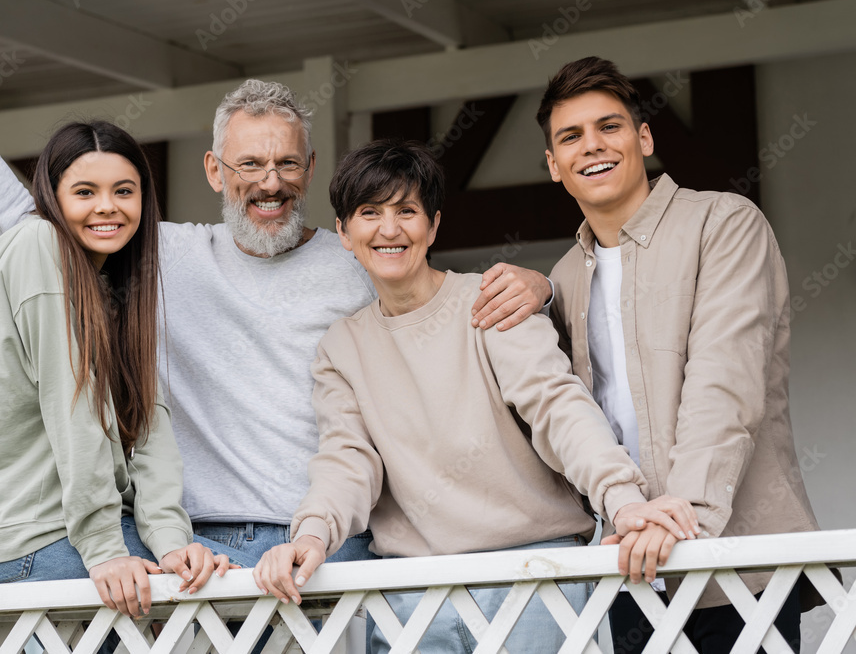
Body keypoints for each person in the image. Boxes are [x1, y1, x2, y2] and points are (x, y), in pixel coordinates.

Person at [0, 35, 551, 564]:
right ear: (216, 171)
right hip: (195, 543)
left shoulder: (356, 260)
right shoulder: (161, 256)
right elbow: (41, 222)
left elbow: (445, 313)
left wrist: (541, 287)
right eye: (249, 165)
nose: (269, 183)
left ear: (309, 167)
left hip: (326, 539)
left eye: (287, 164)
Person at [252, 140, 700, 654]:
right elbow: (346, 460)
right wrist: (311, 535)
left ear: (434, 226)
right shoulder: (341, 348)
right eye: (370, 213)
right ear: (344, 233)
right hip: (410, 591)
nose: (389, 229)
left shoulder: (490, 302)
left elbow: (557, 407)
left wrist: (622, 500)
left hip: (534, 573)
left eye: (407, 211)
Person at [536, 56, 823, 653]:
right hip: (633, 570)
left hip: (736, 562)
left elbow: (726, 384)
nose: (592, 146)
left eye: (609, 126)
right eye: (571, 136)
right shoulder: (564, 277)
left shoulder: (724, 222)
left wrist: (682, 518)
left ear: (643, 138)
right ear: (554, 166)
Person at [0, 119, 243, 619]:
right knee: (239, 584)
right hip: (30, 539)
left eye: (124, 191)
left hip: (77, 534)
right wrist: (105, 548)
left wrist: (171, 540)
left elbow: (150, 428)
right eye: (85, 191)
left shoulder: (119, 286)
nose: (107, 206)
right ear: (53, 196)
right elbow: (76, 412)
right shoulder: (40, 247)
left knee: (212, 570)